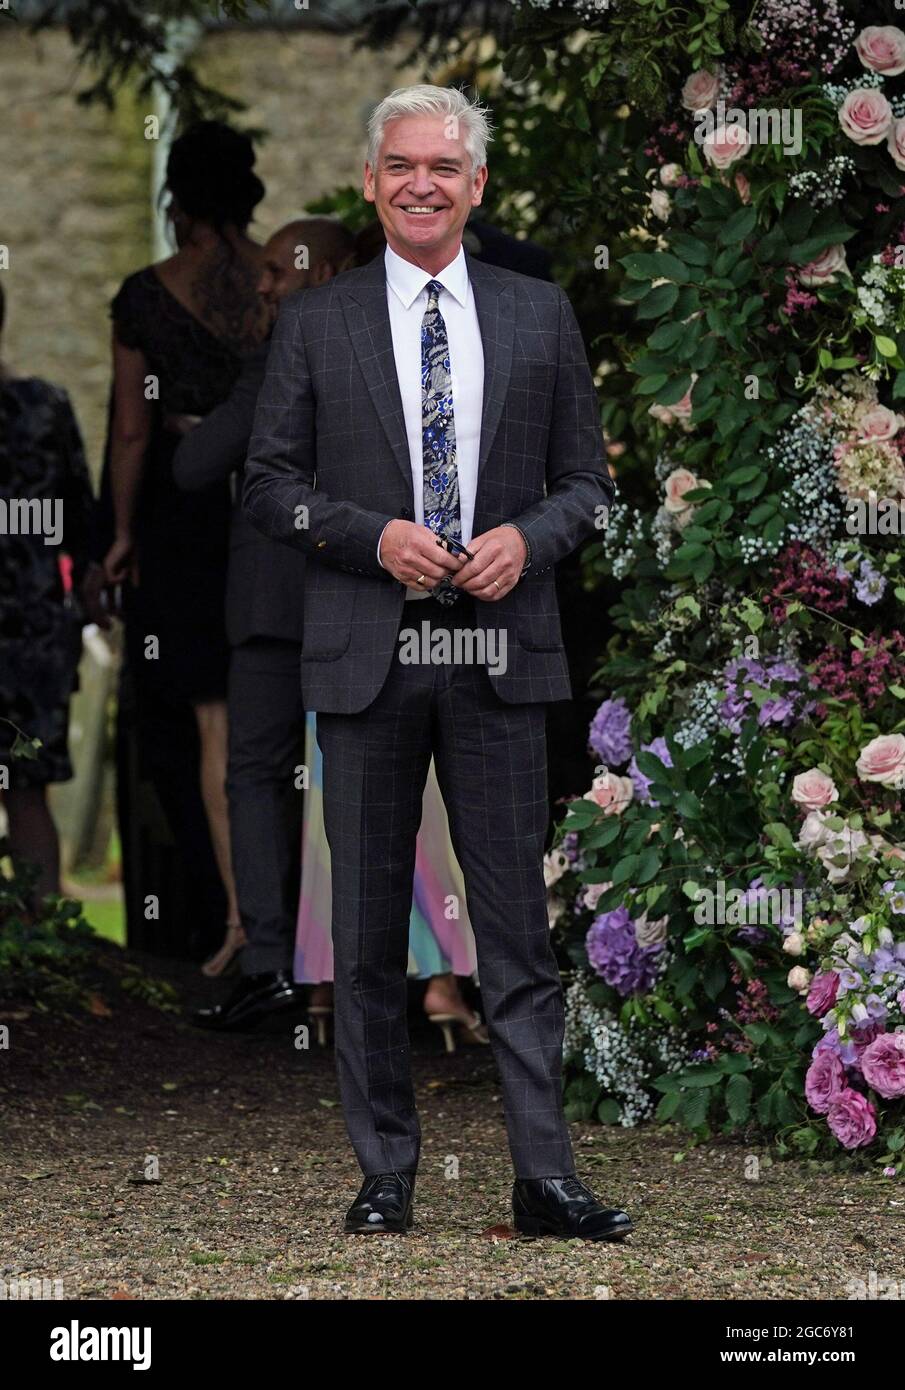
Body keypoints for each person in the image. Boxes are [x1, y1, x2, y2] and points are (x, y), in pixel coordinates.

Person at [244, 84, 630, 1242]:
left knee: (514, 929)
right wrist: (367, 536)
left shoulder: (536, 312)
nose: (421, 182)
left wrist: (528, 538)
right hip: (366, 644)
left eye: (443, 167)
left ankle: (543, 1178)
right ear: (369, 183)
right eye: (399, 164)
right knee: (363, 937)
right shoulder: (318, 324)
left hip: (500, 649)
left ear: (475, 186)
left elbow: (587, 488)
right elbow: (266, 486)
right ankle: (385, 1176)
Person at [172, 218, 355, 1029]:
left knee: (256, 778)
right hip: (360, 597)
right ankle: (354, 974)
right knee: (352, 785)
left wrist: (208, 426)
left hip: (278, 603)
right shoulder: (382, 356)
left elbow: (192, 466)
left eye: (283, 270)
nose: (265, 283)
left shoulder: (273, 365)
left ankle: (272, 965)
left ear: (331, 270)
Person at [103, 121, 270, 975]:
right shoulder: (281, 277)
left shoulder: (146, 295)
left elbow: (132, 435)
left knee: (215, 726)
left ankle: (243, 925)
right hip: (278, 508)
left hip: (187, 515)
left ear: (177, 192)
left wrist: (122, 533)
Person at [0, 283, 104, 901]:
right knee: (28, 784)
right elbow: (83, 523)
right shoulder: (44, 407)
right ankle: (41, 934)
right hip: (34, 627)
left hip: (29, 627)